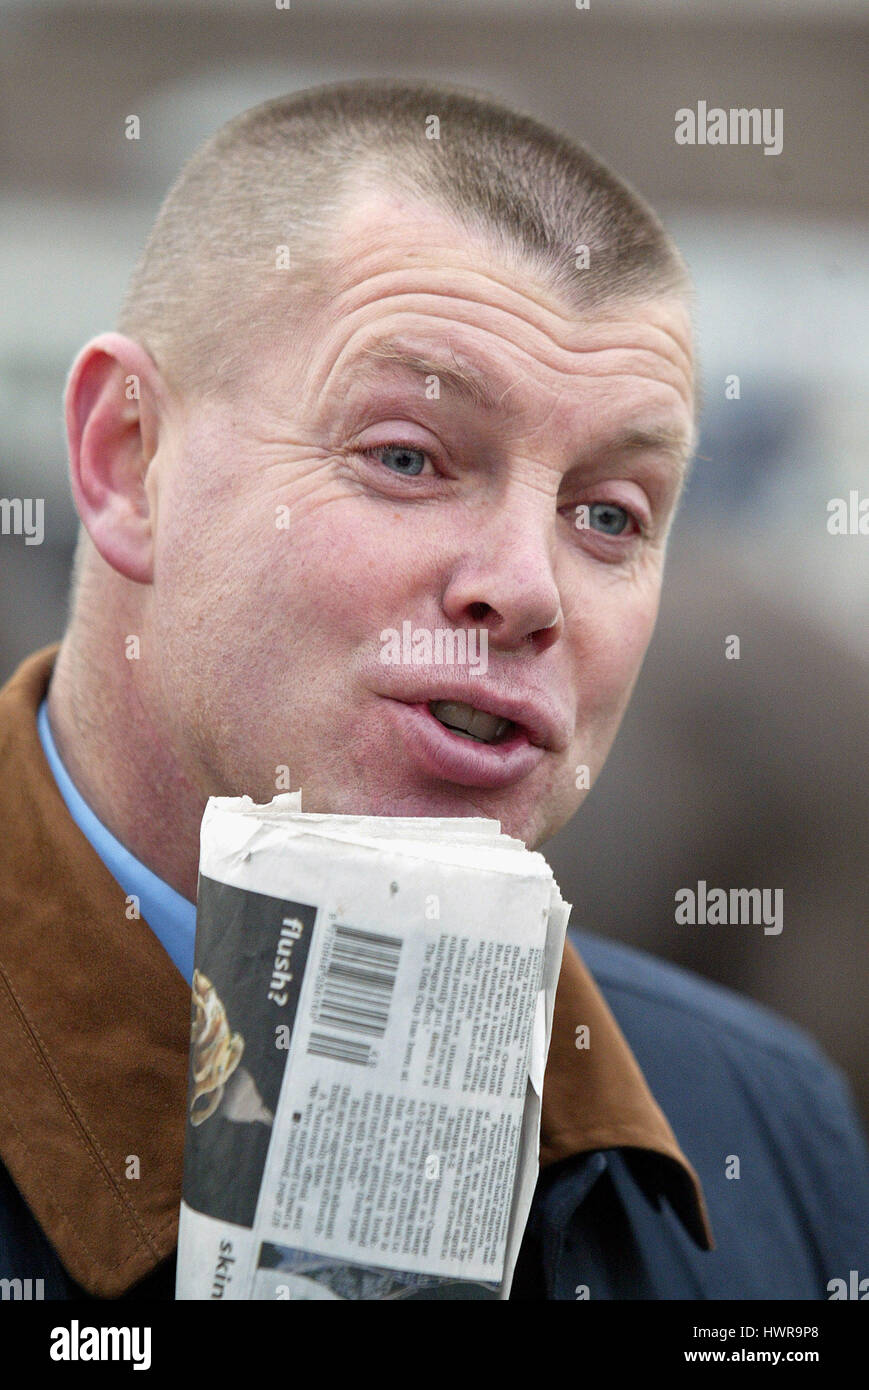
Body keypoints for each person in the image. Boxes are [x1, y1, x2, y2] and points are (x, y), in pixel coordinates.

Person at [0, 79, 866, 1301]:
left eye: (606, 515)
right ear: (126, 462)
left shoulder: (772, 1136)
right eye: (405, 456)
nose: (527, 588)